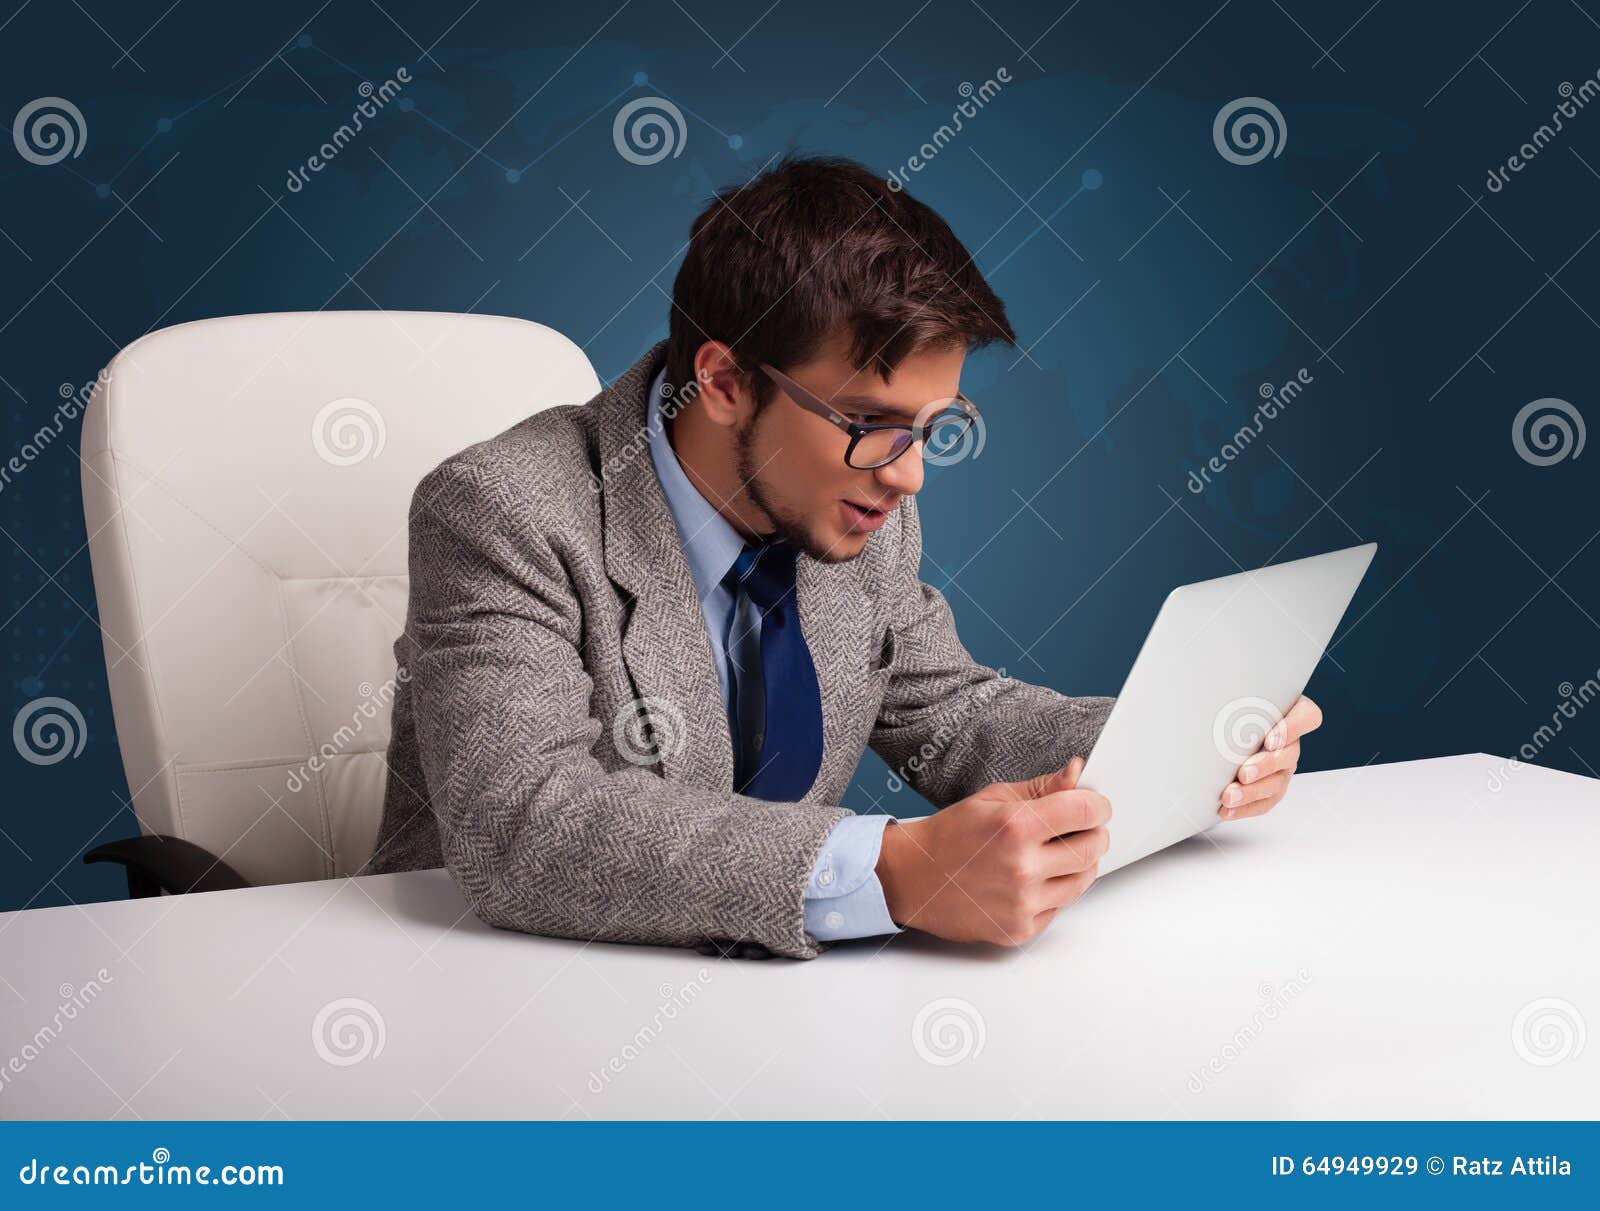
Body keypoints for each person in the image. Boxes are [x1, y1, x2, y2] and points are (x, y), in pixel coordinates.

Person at [367, 153, 1321, 959]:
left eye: (932, 429)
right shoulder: (503, 510)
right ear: (726, 380)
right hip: (492, 988)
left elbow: (945, 713)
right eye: (871, 424)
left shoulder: (858, 501)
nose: (909, 478)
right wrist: (892, 869)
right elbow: (526, 825)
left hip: (757, 1007)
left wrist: (1183, 737)